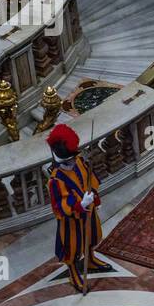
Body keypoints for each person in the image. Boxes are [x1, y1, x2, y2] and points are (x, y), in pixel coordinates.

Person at [46, 123, 103, 293]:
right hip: (72, 221)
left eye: (72, 158)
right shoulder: (55, 180)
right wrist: (80, 204)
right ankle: (73, 272)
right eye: (68, 161)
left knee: (92, 235)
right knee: (72, 247)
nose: (72, 162)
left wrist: (94, 196)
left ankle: (91, 259)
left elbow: (89, 178)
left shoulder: (78, 161)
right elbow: (60, 205)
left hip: (89, 211)